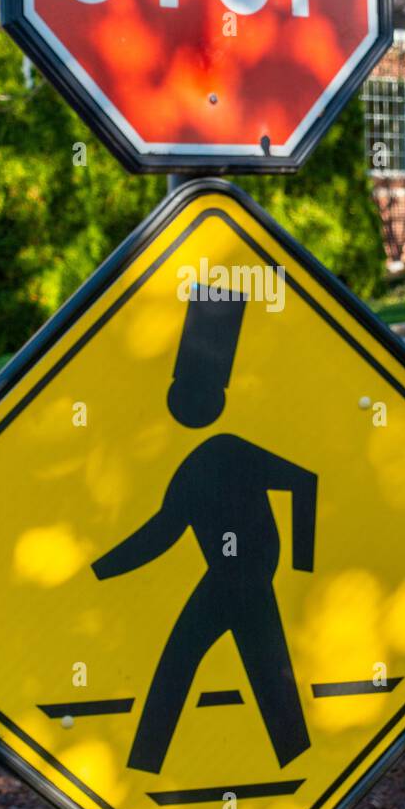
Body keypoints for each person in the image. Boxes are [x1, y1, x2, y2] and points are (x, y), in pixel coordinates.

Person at [93, 287, 317, 774]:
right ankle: (294, 757)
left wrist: (302, 561)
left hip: (243, 577)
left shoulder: (228, 451)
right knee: (261, 673)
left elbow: (305, 483)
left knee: (188, 663)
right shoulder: (196, 466)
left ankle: (146, 764)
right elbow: (162, 534)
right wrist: (97, 572)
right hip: (238, 577)